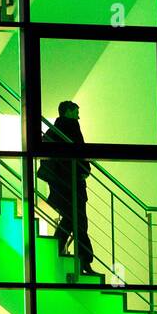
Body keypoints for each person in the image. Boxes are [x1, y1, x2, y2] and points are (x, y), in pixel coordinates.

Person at [40, 101, 101, 278]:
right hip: (71, 185)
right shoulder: (69, 127)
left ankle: (57, 252)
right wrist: (83, 170)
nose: (78, 115)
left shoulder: (54, 131)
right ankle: (84, 262)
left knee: (70, 221)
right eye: (75, 111)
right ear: (67, 111)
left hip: (63, 186)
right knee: (79, 223)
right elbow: (79, 151)